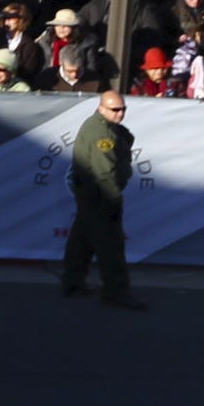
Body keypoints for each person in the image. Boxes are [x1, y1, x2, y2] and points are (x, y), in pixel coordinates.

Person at [63, 87, 149, 309]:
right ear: (101, 108)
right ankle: (116, 291)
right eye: (115, 110)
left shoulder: (101, 126)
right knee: (111, 245)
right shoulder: (103, 133)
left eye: (123, 109)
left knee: (82, 240)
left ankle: (73, 282)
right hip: (101, 195)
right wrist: (114, 200)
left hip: (89, 193)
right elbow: (105, 172)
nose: (120, 113)